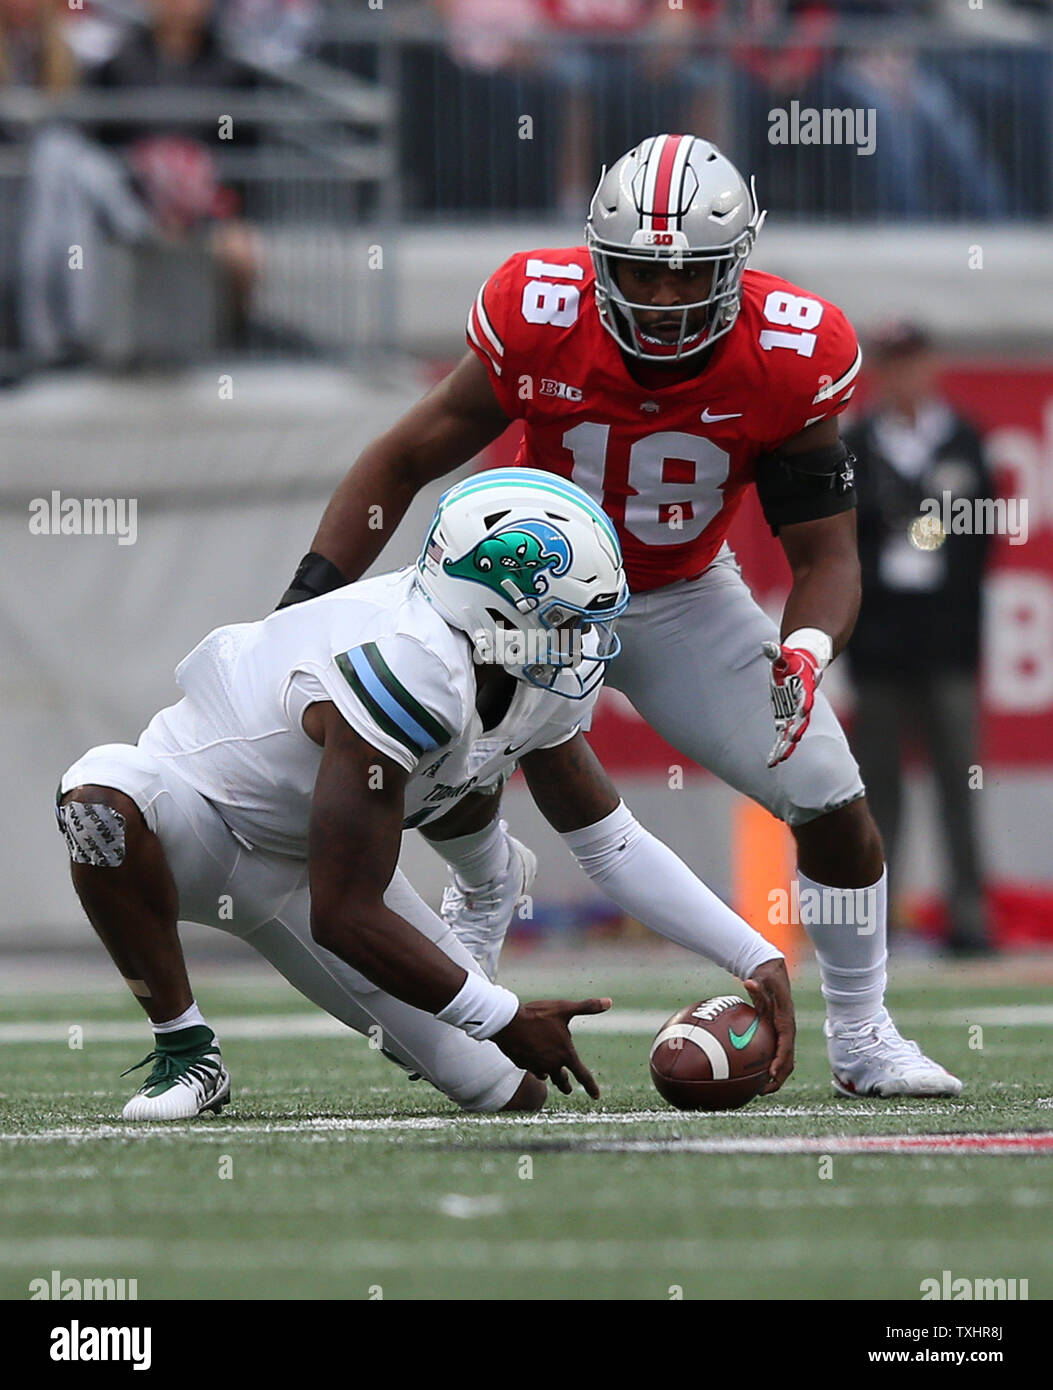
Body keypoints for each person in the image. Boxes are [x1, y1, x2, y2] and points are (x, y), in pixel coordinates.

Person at [283, 134, 962, 1099]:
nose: (661, 301)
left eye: (688, 278)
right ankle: (469, 928)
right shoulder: (539, 310)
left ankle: (862, 1035)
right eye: (640, 275)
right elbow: (402, 459)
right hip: (522, 595)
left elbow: (825, 555)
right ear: (600, 262)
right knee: (438, 755)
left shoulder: (793, 351)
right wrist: (308, 598)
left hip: (680, 591)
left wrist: (806, 653)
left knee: (832, 800)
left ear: (738, 264)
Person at [58, 470, 794, 1122]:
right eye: (567, 622)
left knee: (508, 1092)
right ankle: (186, 1048)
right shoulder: (411, 662)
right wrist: (499, 1012)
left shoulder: (525, 664)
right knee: (98, 797)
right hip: (193, 817)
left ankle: (486, 876)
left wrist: (752, 956)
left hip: (311, 863)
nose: (583, 643)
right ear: (498, 616)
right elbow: (346, 914)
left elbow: (610, 840)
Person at [844, 322, 994, 955]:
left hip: (945, 645)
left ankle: (968, 917)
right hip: (878, 645)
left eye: (912, 362)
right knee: (877, 792)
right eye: (892, 363)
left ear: (930, 365)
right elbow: (841, 541)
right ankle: (879, 917)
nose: (903, 376)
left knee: (959, 784)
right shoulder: (855, 443)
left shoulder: (962, 440)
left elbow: (978, 544)